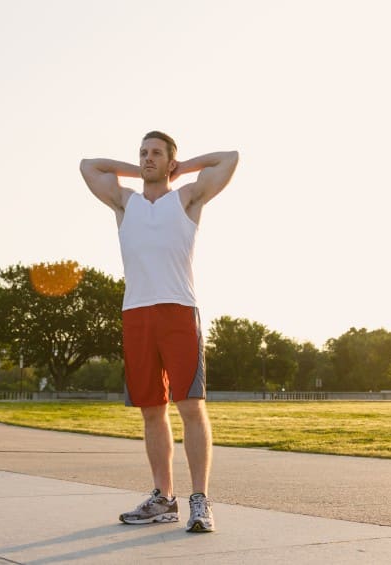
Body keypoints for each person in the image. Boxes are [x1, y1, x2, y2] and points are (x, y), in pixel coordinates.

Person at [80, 131, 238, 532]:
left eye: (156, 154)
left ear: (170, 162)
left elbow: (229, 158)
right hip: (136, 314)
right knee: (152, 411)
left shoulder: (185, 198)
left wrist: (182, 168)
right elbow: (88, 166)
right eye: (143, 153)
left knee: (190, 406)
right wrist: (137, 171)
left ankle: (199, 501)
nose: (147, 158)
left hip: (179, 312)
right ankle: (163, 499)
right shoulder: (125, 202)